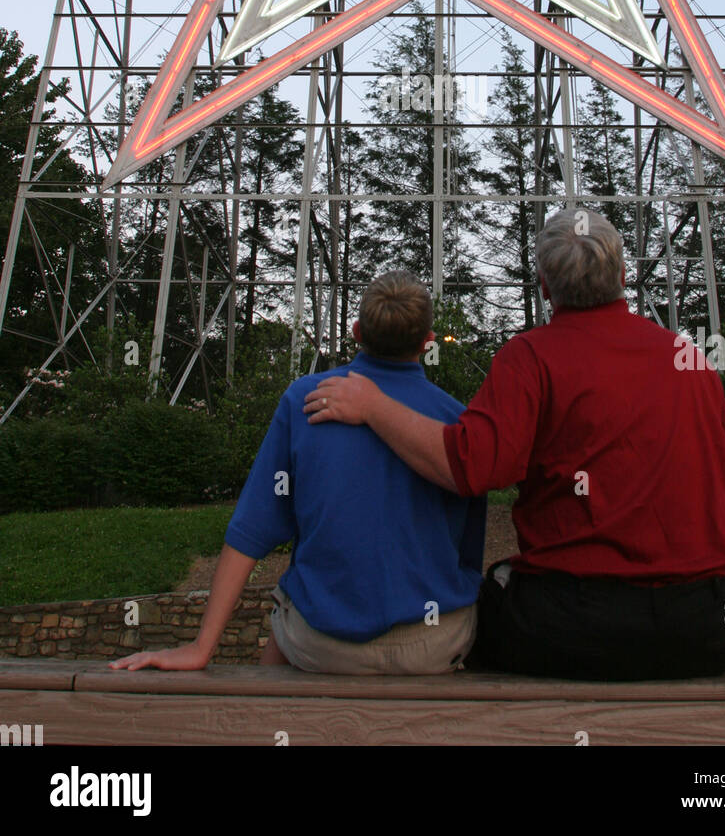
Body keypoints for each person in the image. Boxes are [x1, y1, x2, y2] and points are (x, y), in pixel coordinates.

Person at [305, 209, 725, 681]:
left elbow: (469, 467)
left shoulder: (532, 358)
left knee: (473, 619)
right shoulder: (691, 362)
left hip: (574, 625)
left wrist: (374, 405)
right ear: (623, 276)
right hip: (710, 623)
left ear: (544, 286)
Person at [110, 269, 485, 675]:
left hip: (325, 645)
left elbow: (251, 531)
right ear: (428, 342)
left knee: (297, 604)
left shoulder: (305, 401)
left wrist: (202, 646)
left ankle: (263, 719)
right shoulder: (458, 422)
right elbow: (468, 552)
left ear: (357, 332)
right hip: (433, 643)